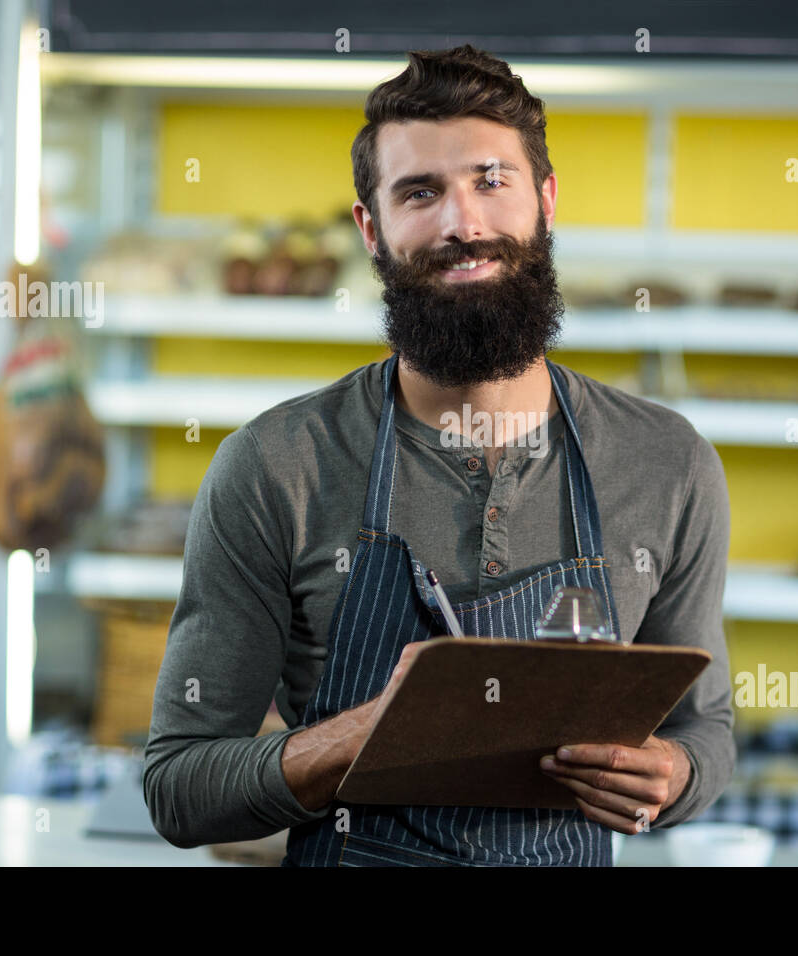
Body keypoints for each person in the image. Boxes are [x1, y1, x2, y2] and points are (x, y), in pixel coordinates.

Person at [143, 44, 735, 867]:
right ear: (370, 228)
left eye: (491, 181)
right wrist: (361, 736)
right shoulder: (277, 466)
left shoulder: (666, 464)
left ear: (547, 201)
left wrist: (675, 772)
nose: (464, 224)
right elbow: (179, 785)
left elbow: (705, 727)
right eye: (420, 193)